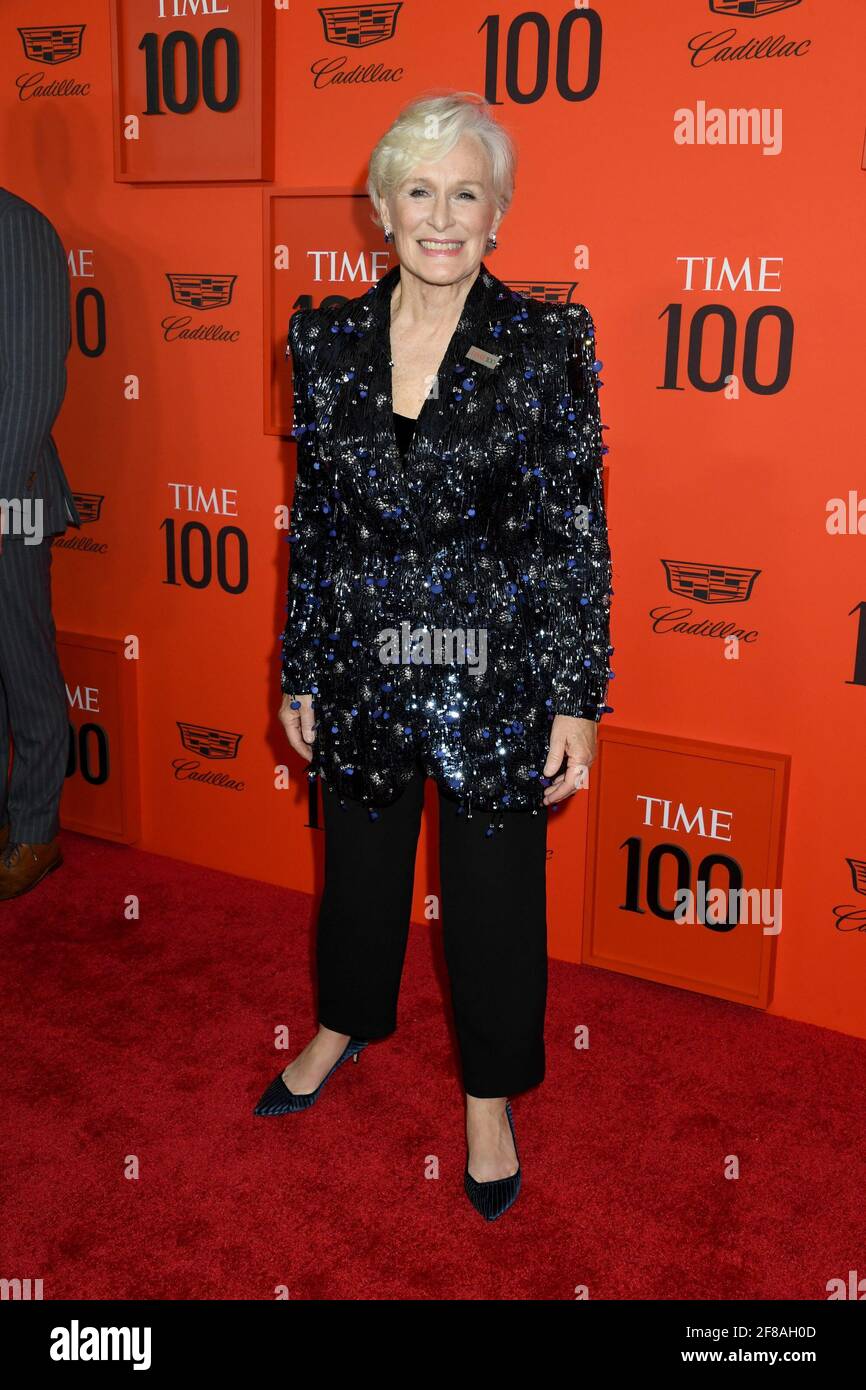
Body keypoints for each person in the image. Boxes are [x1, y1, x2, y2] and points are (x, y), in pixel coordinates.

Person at [255, 93, 614, 1221]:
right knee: (358, 869)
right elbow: (312, 517)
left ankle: (490, 1097)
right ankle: (345, 1019)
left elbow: (574, 529)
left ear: (497, 214)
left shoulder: (551, 341)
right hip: (361, 661)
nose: (442, 215)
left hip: (494, 670)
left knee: (493, 896)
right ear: (381, 207)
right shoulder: (321, 338)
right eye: (421, 190)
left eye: (467, 193)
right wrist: (302, 664)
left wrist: (574, 693)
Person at [0, 188, 81, 900]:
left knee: (22, 660)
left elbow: (31, 382)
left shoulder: (18, 229)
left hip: (11, 497)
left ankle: (35, 832)